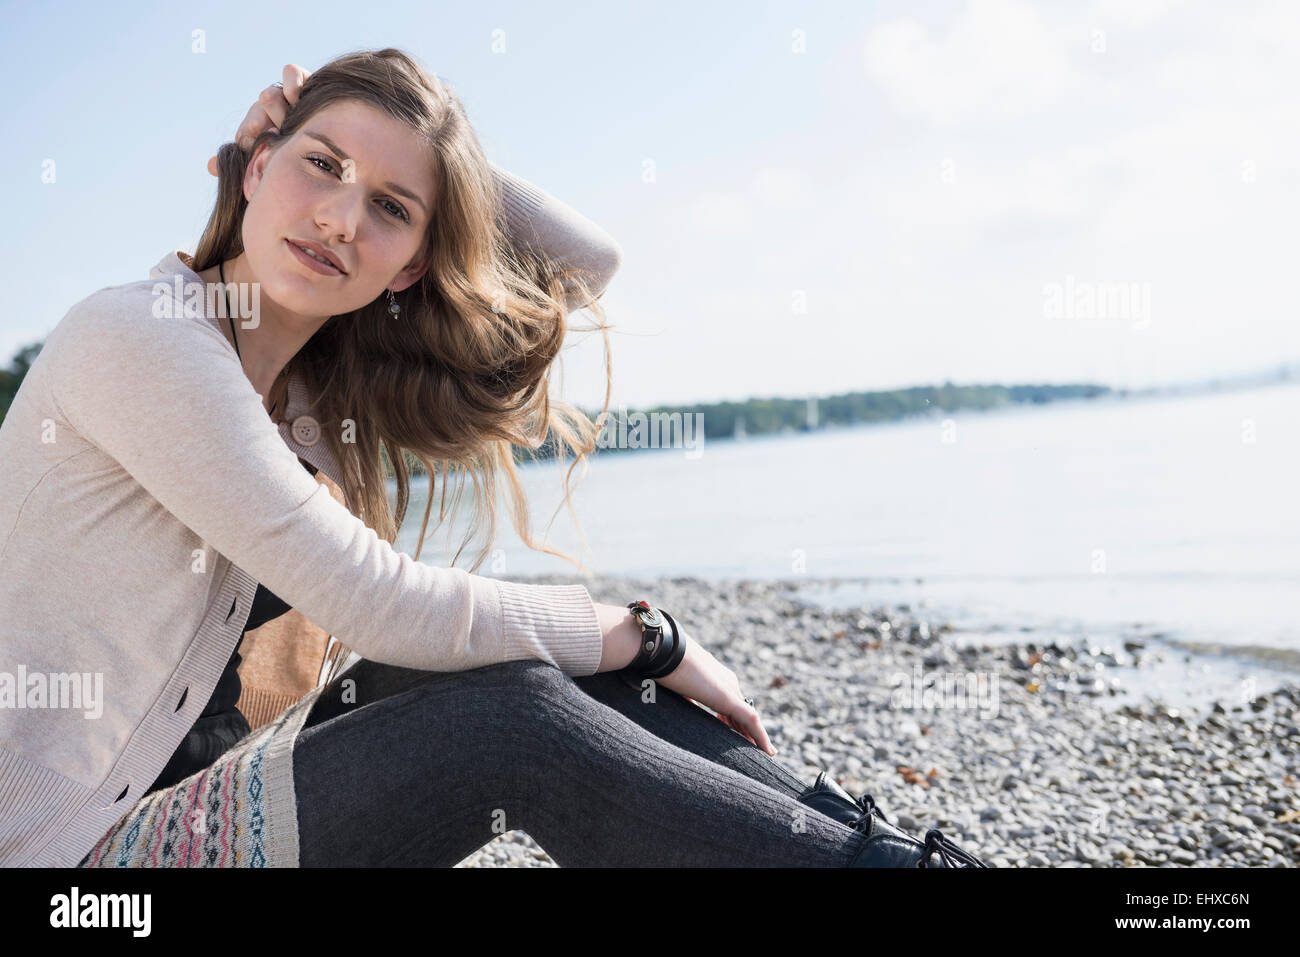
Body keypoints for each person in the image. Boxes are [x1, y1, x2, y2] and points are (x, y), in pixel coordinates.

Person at [0, 48, 986, 868]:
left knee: (544, 662)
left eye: (393, 207)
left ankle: (881, 850)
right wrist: (650, 637)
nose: (343, 218)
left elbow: (585, 265)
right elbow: (376, 602)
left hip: (208, 790)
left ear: (417, 261)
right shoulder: (143, 339)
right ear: (253, 166)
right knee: (507, 720)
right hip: (76, 868)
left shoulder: (305, 392)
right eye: (320, 164)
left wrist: (426, 149)